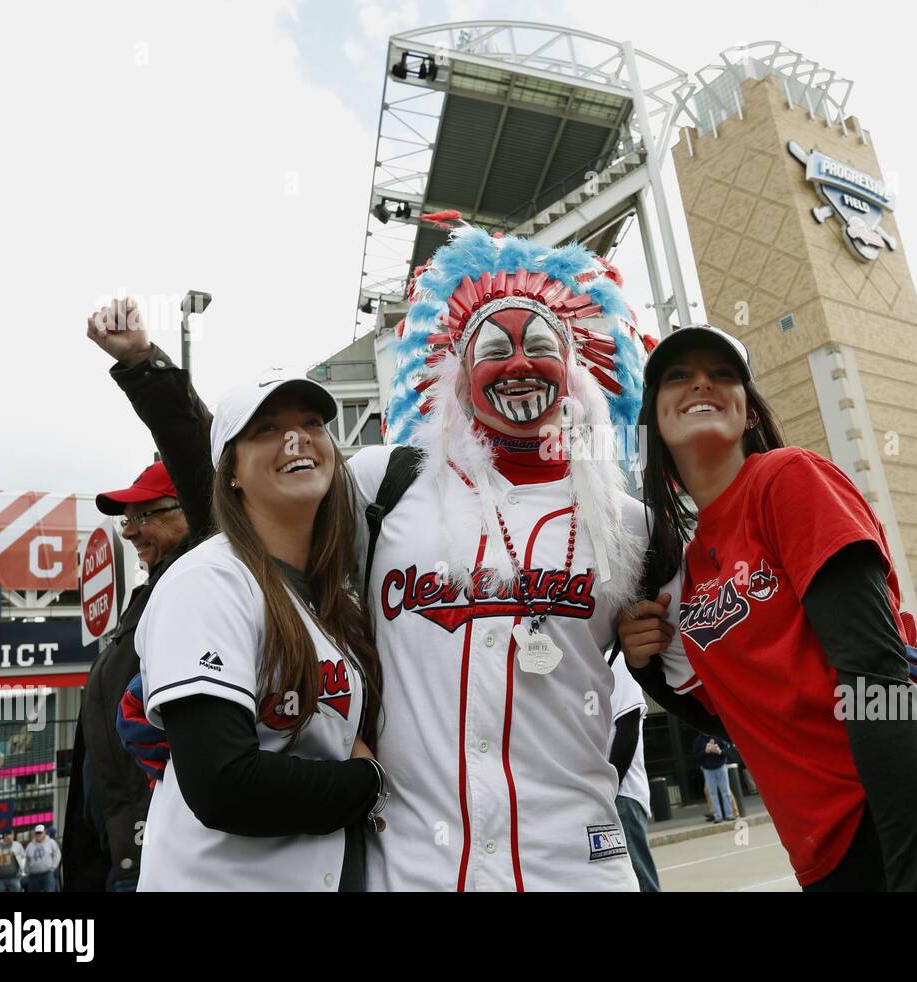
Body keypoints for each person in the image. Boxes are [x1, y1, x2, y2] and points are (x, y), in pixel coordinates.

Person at [98, 224, 664, 891]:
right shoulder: (385, 483)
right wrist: (149, 373)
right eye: (493, 349)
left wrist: (651, 658)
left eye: (541, 347)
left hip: (574, 871)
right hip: (417, 871)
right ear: (454, 371)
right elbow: (251, 495)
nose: (518, 366)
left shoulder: (631, 524)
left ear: (576, 369)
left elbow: (708, 668)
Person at [617, 324, 917, 891]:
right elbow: (736, 720)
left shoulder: (787, 479)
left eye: (722, 374)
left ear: (749, 411)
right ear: (654, 418)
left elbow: (874, 675)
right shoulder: (687, 572)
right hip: (826, 853)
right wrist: (644, 662)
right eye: (678, 376)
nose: (701, 382)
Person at [134, 375, 386, 891]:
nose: (297, 439)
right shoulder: (208, 581)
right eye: (267, 428)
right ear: (231, 474)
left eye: (311, 423)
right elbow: (223, 785)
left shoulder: (337, 595)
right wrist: (367, 782)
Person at [68, 299, 216, 892]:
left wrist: (141, 364)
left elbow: (197, 453)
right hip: (118, 868)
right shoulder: (140, 606)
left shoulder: (215, 570)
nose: (130, 531)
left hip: (170, 862)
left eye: (145, 515)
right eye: (125, 520)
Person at [606, 655, 661, 892]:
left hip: (621, 794)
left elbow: (628, 729)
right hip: (602, 793)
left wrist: (608, 787)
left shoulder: (616, 660)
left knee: (640, 880)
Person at [694, 732, 735, 824]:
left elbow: (727, 749)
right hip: (708, 769)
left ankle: (729, 814)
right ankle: (718, 816)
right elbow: (696, 756)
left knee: (726, 792)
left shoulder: (718, 737)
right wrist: (705, 751)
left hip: (721, 767)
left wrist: (719, 751)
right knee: (713, 793)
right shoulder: (699, 740)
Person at [23, 825, 62, 892]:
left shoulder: (51, 842)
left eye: (40, 832)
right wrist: (27, 871)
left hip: (47, 873)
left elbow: (57, 855)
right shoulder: (30, 845)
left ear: (44, 832)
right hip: (33, 875)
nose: (38, 834)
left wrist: (53, 867)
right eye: (37, 833)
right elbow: (27, 859)